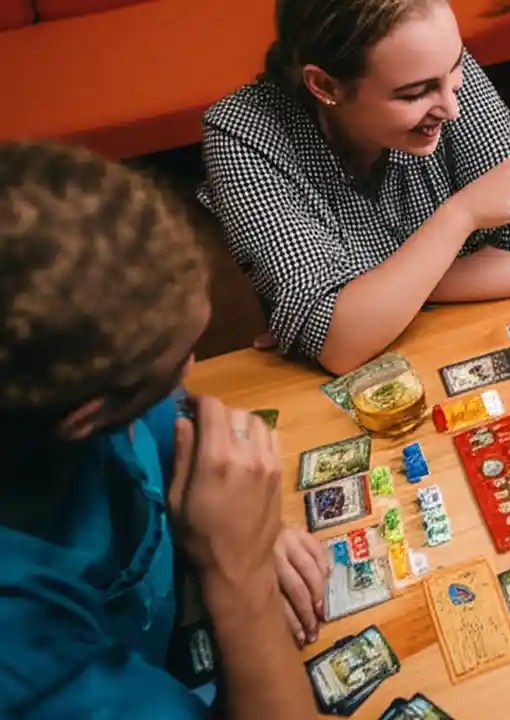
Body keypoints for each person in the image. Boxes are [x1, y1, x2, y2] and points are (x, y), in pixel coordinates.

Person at [0, 142, 321, 718]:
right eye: (180, 358)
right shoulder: (24, 655)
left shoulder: (52, 390)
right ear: (86, 418)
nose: (191, 378)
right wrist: (239, 576)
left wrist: (257, 529)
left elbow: (171, 422)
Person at [200, 0, 510, 374]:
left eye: (457, 69)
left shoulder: (434, 60)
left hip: (465, 342)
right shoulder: (243, 133)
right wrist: (462, 215)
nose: (450, 107)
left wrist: (370, 297)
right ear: (325, 85)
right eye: (414, 94)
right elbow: (342, 345)